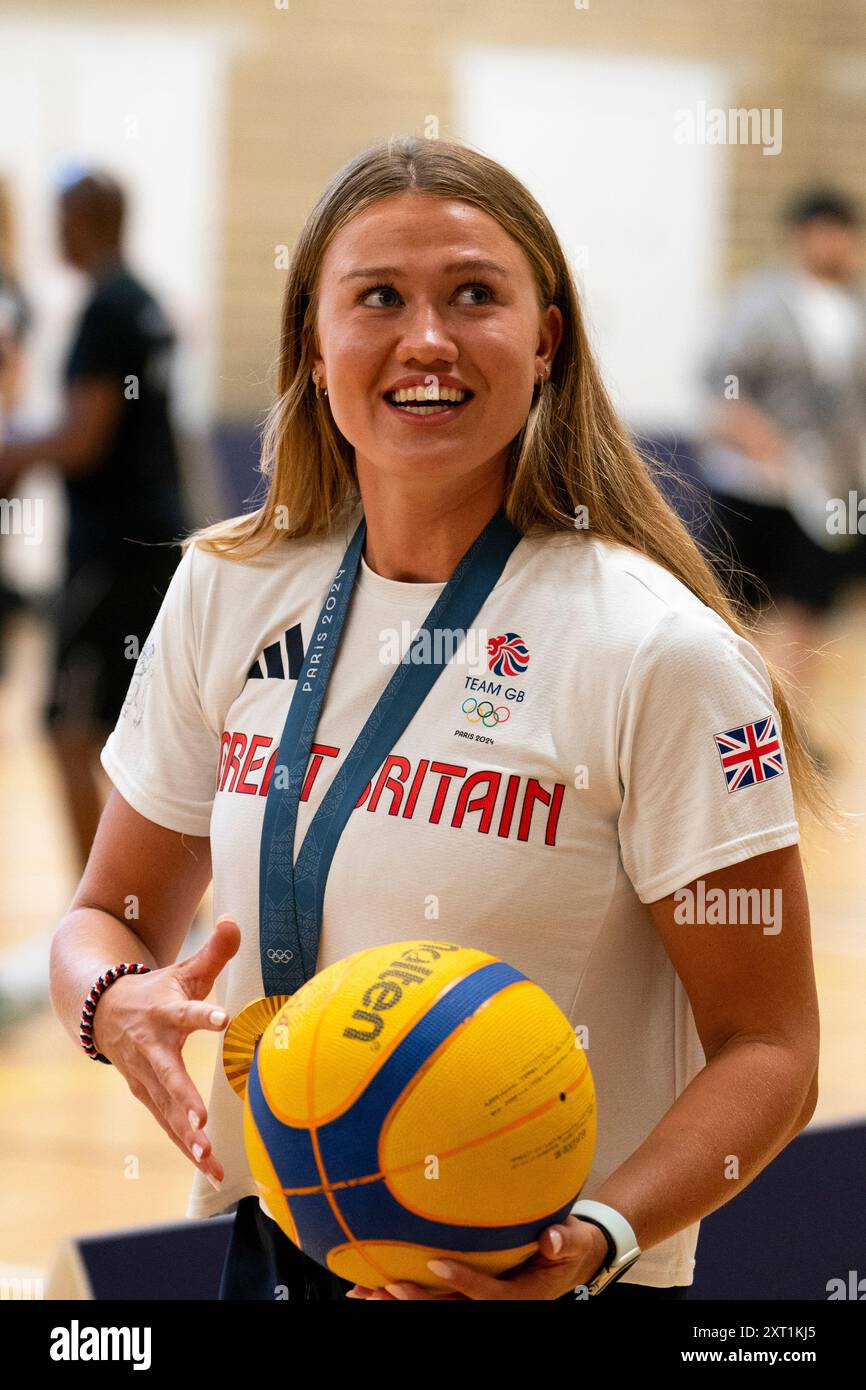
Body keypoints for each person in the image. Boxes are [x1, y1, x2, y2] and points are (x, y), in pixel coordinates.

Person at [49, 137, 821, 1302]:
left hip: (544, 1275)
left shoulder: (655, 650)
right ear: (313, 341)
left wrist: (598, 1236)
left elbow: (772, 1049)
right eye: (377, 299)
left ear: (544, 338)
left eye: (473, 295)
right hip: (275, 1247)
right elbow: (104, 916)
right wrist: (120, 1004)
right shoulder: (227, 584)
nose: (425, 340)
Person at [0, 169, 187, 870]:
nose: (56, 235)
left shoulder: (108, 309)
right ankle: (155, 905)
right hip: (149, 543)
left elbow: (83, 440)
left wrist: (12, 449)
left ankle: (101, 906)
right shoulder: (145, 304)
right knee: (119, 731)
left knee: (68, 728)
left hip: (111, 551)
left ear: (85, 221)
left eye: (63, 219)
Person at [698, 189, 866, 743]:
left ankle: (788, 731)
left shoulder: (855, 308)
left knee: (810, 611)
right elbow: (721, 385)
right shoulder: (760, 302)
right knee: (733, 610)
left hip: (832, 490)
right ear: (800, 236)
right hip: (758, 486)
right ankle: (717, 723)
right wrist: (764, 443)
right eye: (822, 231)